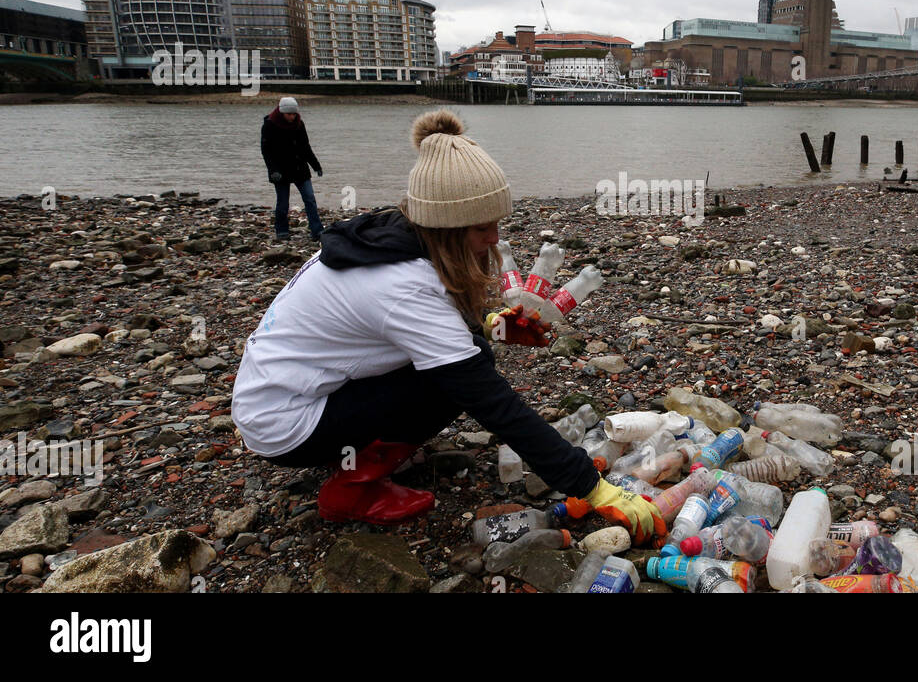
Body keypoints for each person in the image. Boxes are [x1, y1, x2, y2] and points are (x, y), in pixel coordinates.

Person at [232, 109, 664, 546]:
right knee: (452, 381)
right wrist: (590, 485)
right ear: (448, 226)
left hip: (286, 387)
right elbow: (489, 400)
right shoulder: (401, 285)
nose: (495, 238)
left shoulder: (396, 234)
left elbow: (414, 320)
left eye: (497, 222)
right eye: (482, 227)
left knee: (471, 350)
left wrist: (492, 322)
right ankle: (349, 488)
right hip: (284, 423)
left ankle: (357, 451)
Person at [261, 97, 324, 241]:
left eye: (294, 114)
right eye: (289, 114)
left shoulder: (299, 124)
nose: (292, 116)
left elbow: (306, 147)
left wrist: (316, 165)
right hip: (280, 171)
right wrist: (273, 170)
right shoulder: (269, 125)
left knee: (310, 199)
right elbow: (266, 151)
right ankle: (282, 230)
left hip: (300, 168)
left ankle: (317, 230)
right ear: (282, 112)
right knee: (283, 203)